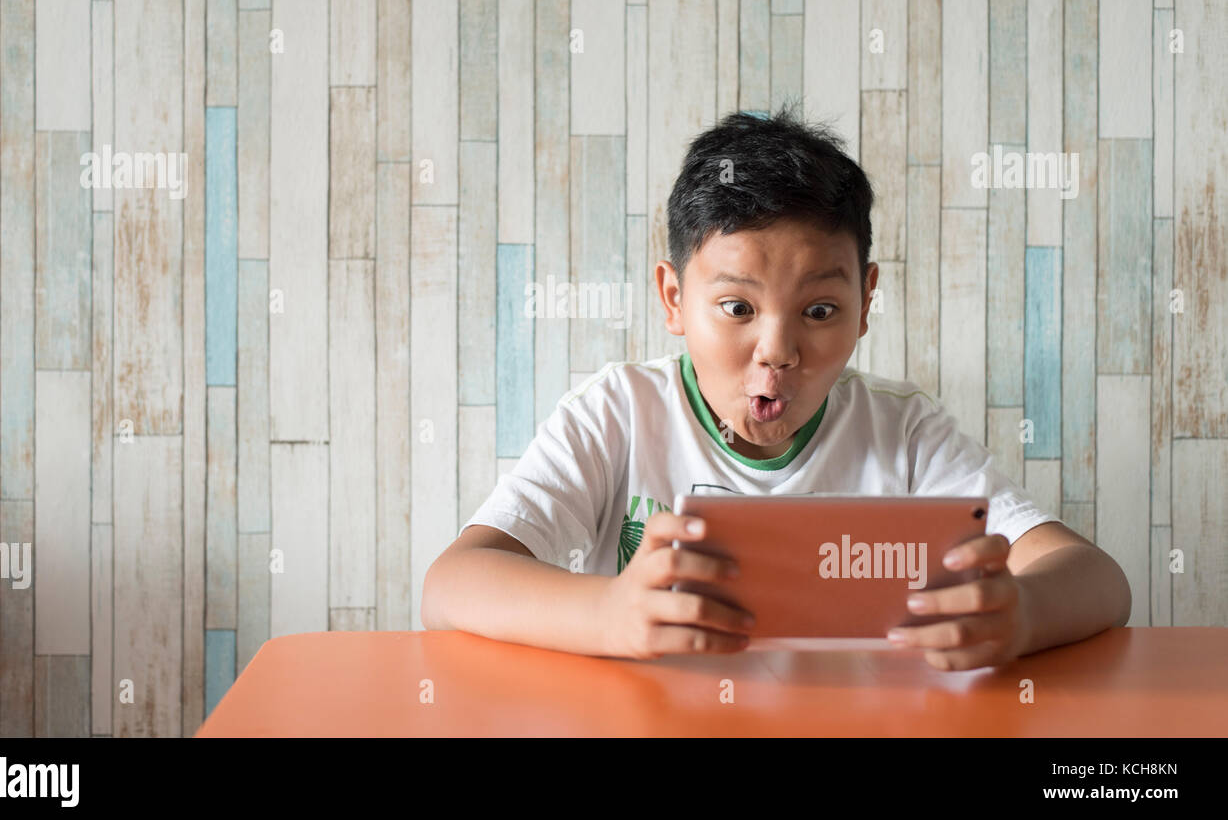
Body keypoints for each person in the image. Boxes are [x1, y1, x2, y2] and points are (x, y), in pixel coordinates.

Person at [422, 104, 1131, 670]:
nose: (779, 351)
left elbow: (1099, 580)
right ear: (672, 298)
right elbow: (452, 583)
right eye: (737, 308)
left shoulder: (905, 433)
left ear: (866, 302)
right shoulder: (618, 414)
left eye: (820, 312)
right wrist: (609, 612)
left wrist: (1022, 613)